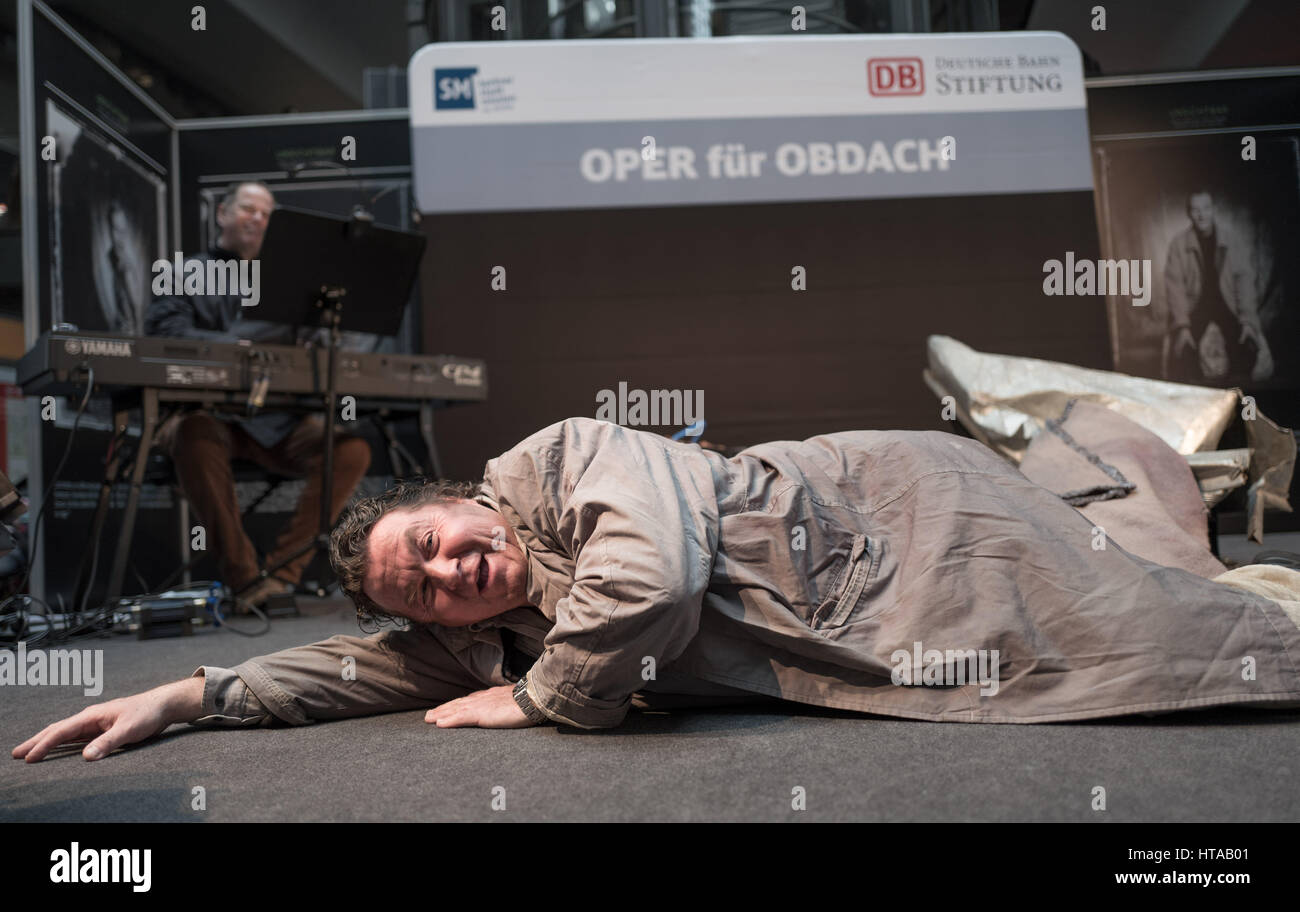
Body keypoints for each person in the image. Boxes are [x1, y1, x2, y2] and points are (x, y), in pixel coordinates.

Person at [14, 417, 1300, 762]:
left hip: (896, 513)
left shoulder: (566, 458)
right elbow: (344, 674)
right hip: (872, 636)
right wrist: (189, 695)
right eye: (434, 592)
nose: (460, 571)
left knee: (1184, 633)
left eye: (446, 541)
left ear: (467, 498)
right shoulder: (478, 635)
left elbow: (659, 569)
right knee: (1146, 613)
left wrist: (550, 699)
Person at [143, 181, 372, 609]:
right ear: (222, 214)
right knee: (192, 433)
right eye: (248, 208)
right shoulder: (182, 273)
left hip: (275, 420)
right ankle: (245, 580)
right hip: (206, 414)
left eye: (267, 214)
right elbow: (164, 334)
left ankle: (280, 575)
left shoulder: (289, 283)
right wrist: (235, 351)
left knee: (350, 450)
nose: (257, 219)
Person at [1164, 190, 1273, 384]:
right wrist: (1182, 326)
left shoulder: (1232, 240)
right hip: (1195, 307)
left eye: (1206, 208)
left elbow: (1244, 282)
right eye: (1195, 209)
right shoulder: (1178, 245)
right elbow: (1175, 288)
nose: (1201, 214)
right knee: (1183, 357)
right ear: (1189, 213)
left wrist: (1247, 320)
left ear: (1213, 210)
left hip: (1226, 304)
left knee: (1247, 351)